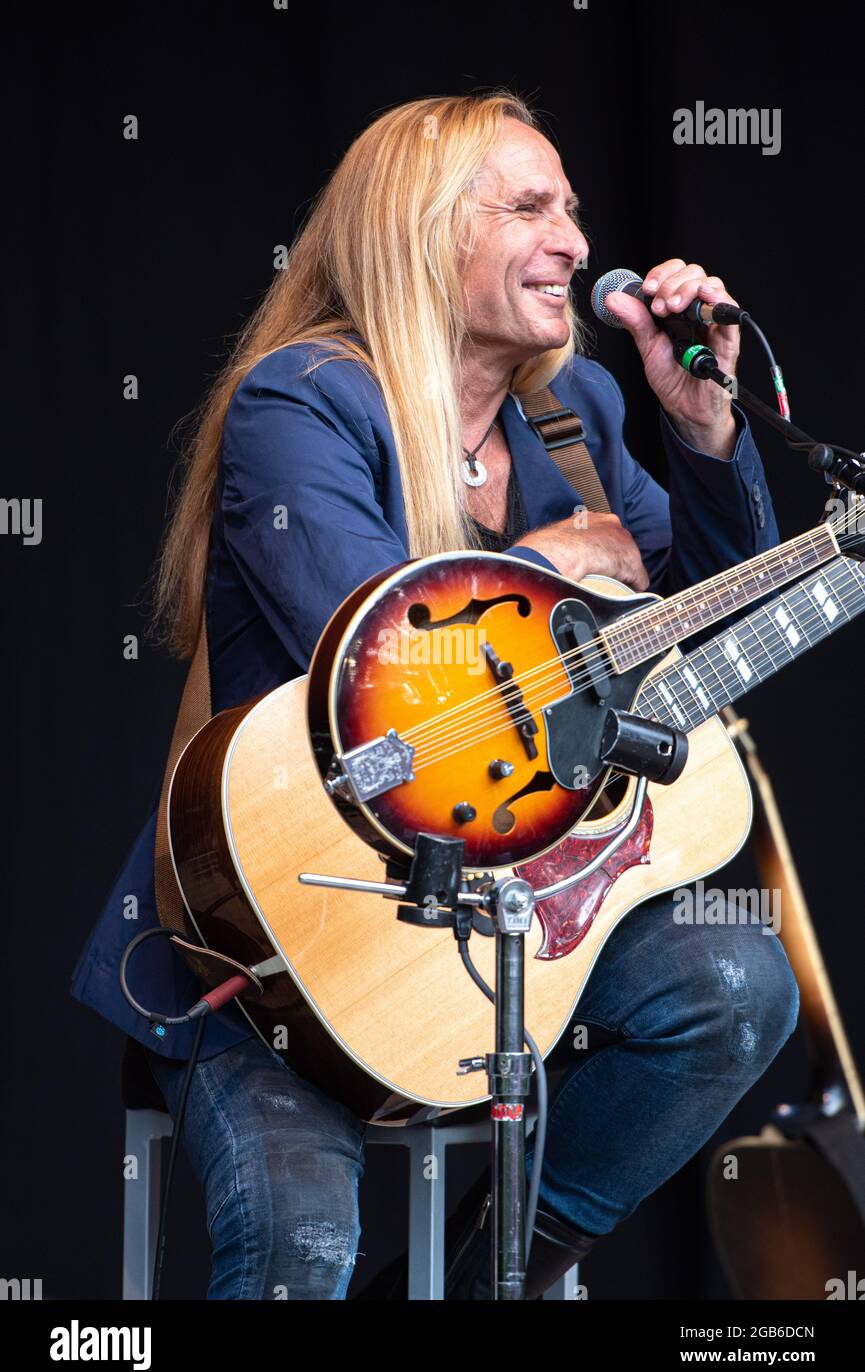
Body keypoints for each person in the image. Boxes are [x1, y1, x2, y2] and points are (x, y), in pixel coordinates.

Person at [71, 90, 799, 1300]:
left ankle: (485, 1280)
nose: (574, 238)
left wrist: (705, 431)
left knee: (734, 987)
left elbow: (704, 634)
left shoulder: (580, 419)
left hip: (493, 912)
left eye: (572, 206)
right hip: (272, 956)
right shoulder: (301, 401)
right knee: (305, 1251)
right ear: (419, 231)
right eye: (528, 206)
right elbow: (389, 670)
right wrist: (558, 563)